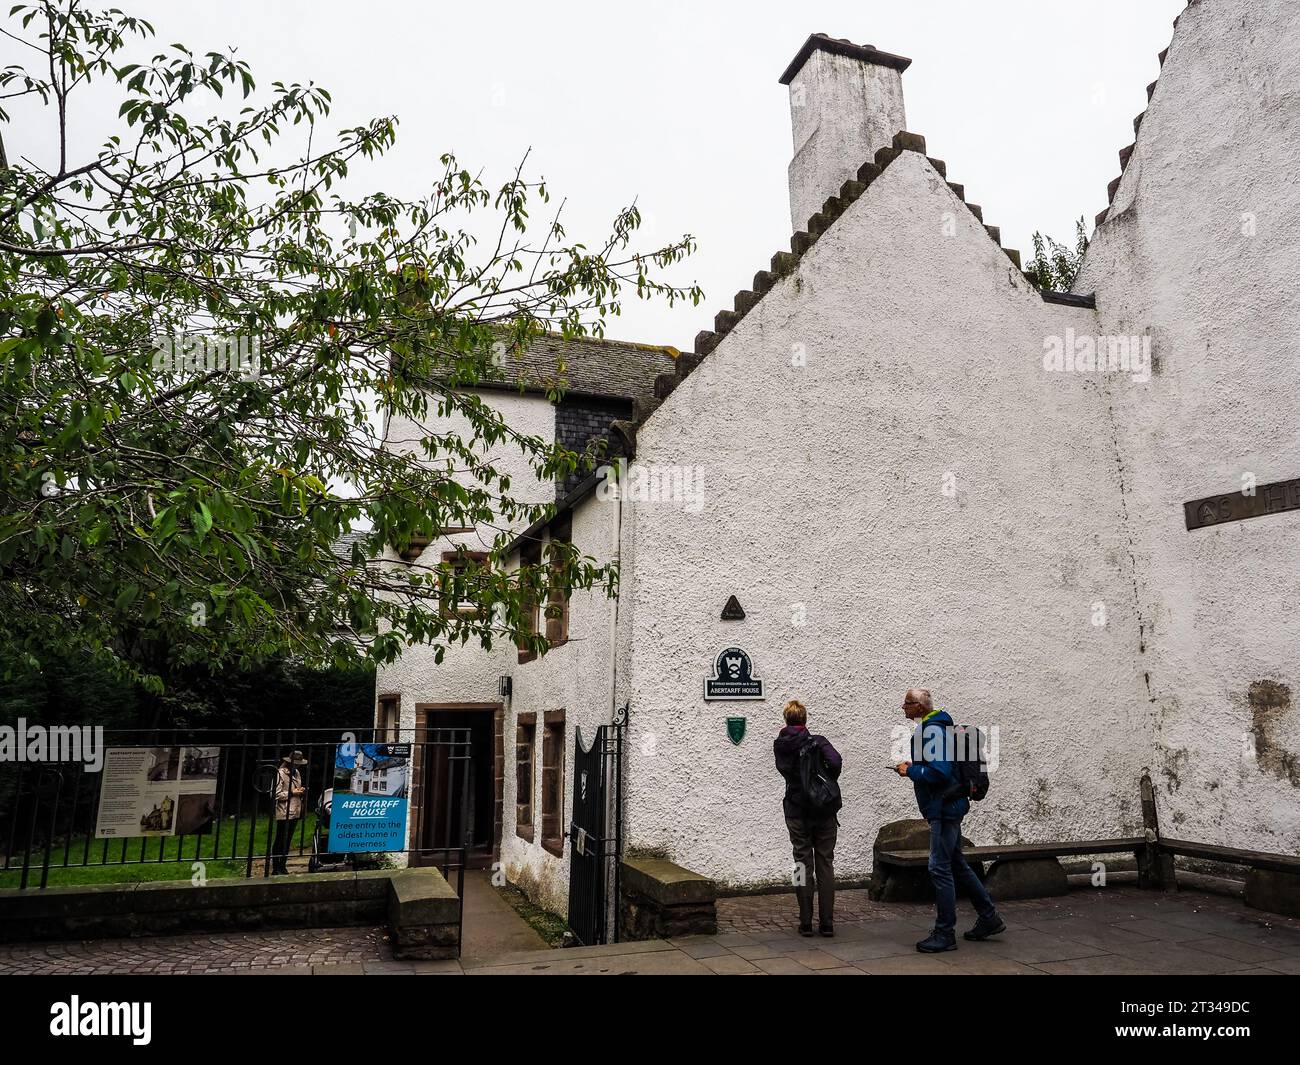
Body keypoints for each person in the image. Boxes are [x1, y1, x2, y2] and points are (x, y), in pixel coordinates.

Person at [894, 688, 1004, 952]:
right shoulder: (941, 726)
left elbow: (940, 773)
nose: (903, 707)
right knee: (956, 863)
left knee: (938, 868)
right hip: (951, 804)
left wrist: (911, 770)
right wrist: (918, 766)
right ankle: (988, 917)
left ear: (919, 707)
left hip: (943, 808)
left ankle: (945, 933)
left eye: (907, 703)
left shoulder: (930, 731)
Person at [774, 699, 842, 937]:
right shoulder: (818, 742)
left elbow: (785, 771)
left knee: (801, 864)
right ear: (805, 719)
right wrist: (823, 778)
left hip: (796, 811)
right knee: (825, 864)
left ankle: (805, 921)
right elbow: (835, 762)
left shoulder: (781, 745)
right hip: (823, 810)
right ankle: (827, 923)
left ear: (786, 720)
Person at [272, 750, 308, 875]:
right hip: (284, 811)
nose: (297, 766)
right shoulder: (280, 773)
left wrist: (300, 790)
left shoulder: (296, 773)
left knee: (287, 841)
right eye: (296, 763)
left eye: (299, 763)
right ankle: (276, 867)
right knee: (280, 839)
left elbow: (295, 789)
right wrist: (293, 793)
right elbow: (275, 794)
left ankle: (283, 866)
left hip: (295, 810)